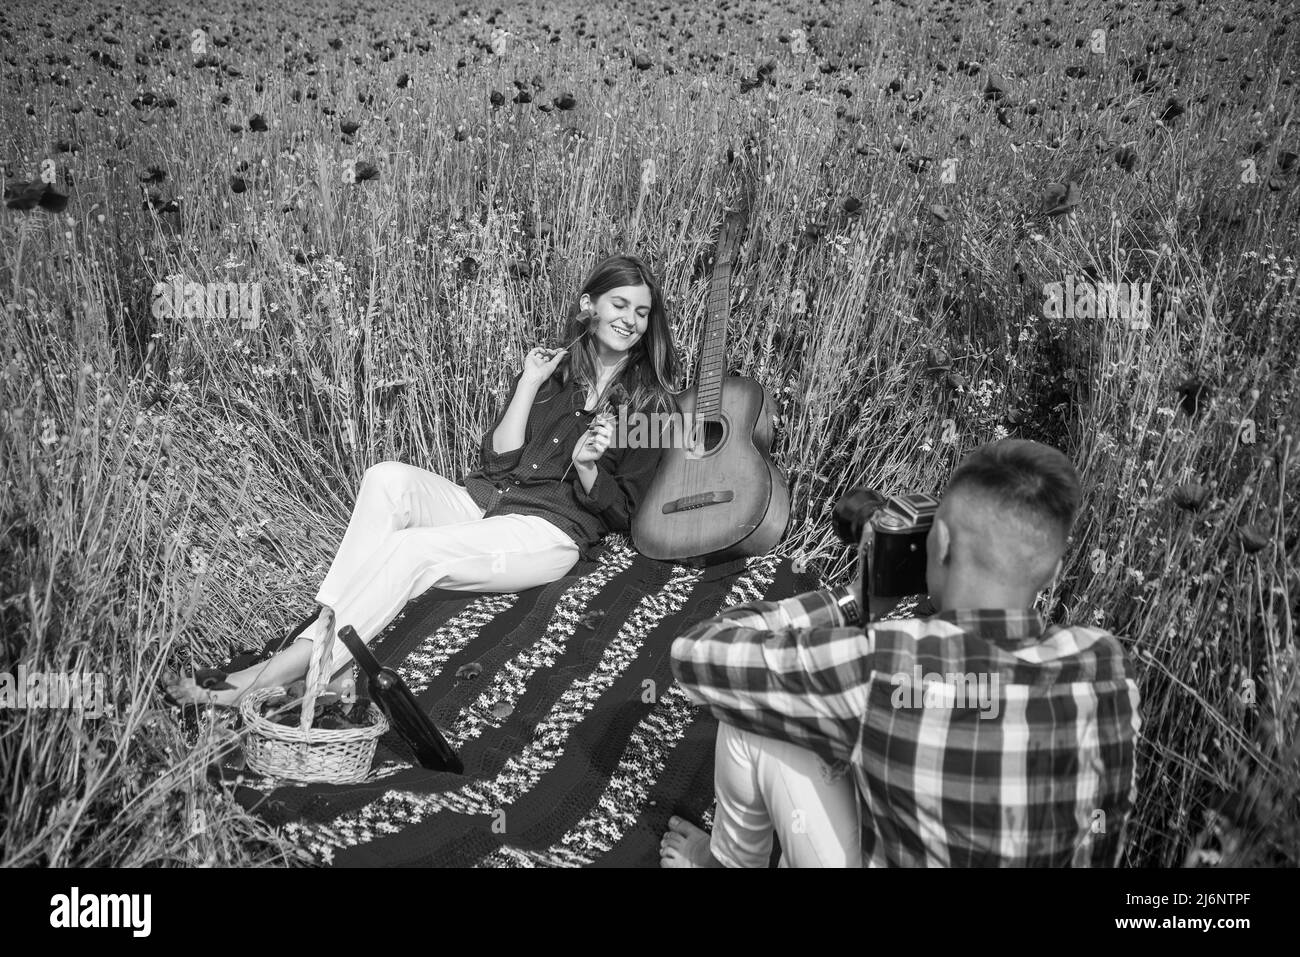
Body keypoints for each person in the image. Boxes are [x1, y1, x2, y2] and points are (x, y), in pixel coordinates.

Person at [165, 254, 680, 707]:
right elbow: (499, 465)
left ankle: (284, 669)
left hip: (547, 532)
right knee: (386, 477)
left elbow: (624, 513)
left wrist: (588, 467)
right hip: (488, 502)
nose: (630, 321)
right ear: (590, 306)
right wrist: (527, 384)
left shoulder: (648, 403)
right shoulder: (556, 374)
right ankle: (328, 652)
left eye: (641, 311)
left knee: (412, 551)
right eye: (619, 305)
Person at [662, 439, 1142, 867]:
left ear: (943, 542)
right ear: (1054, 571)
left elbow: (695, 654)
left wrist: (855, 599)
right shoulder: (1104, 666)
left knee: (754, 720)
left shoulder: (888, 666)